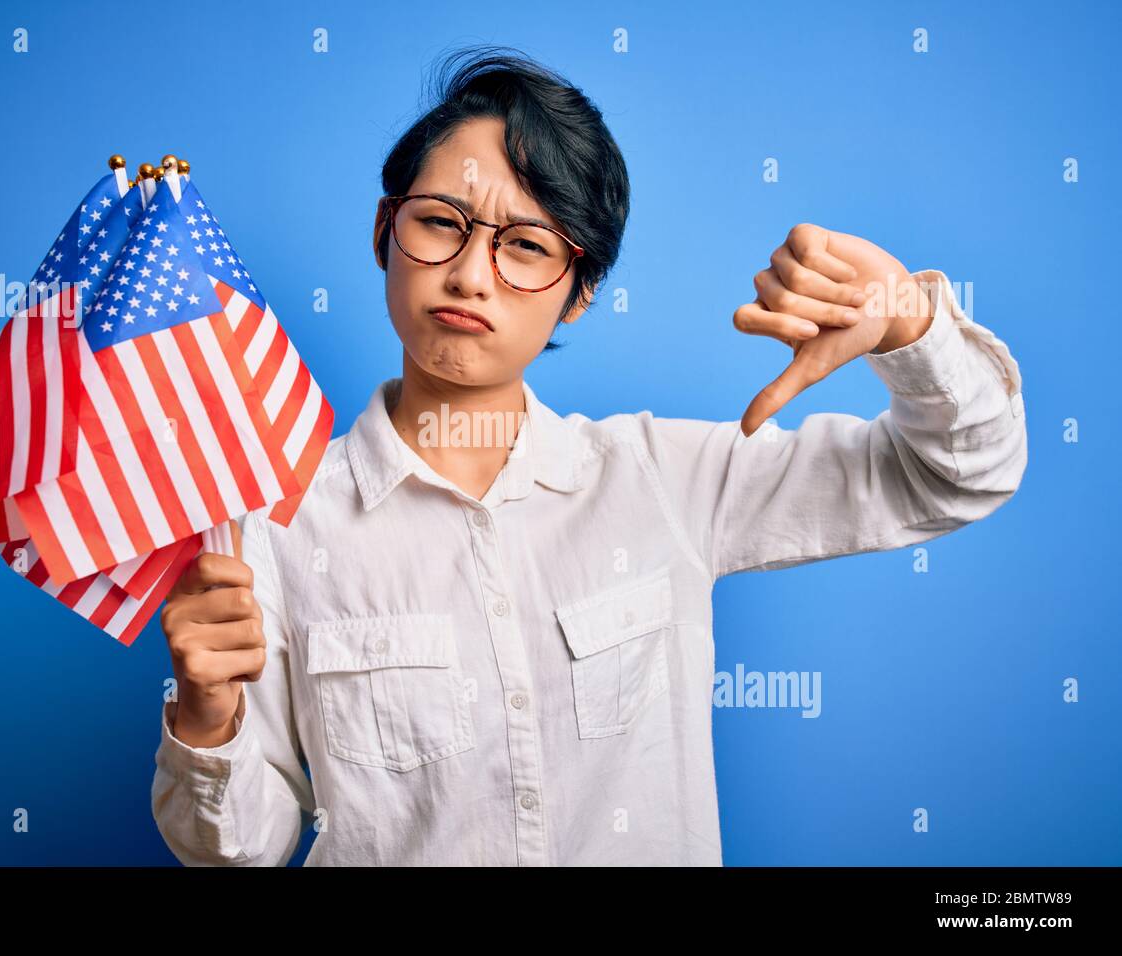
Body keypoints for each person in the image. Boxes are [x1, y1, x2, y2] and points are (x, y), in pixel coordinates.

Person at [150, 46, 1027, 866]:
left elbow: (955, 474)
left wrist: (910, 322)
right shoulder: (269, 527)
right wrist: (207, 716)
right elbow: (239, 851)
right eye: (440, 224)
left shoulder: (667, 482)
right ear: (387, 230)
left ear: (580, 294)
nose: (470, 274)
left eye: (526, 245)